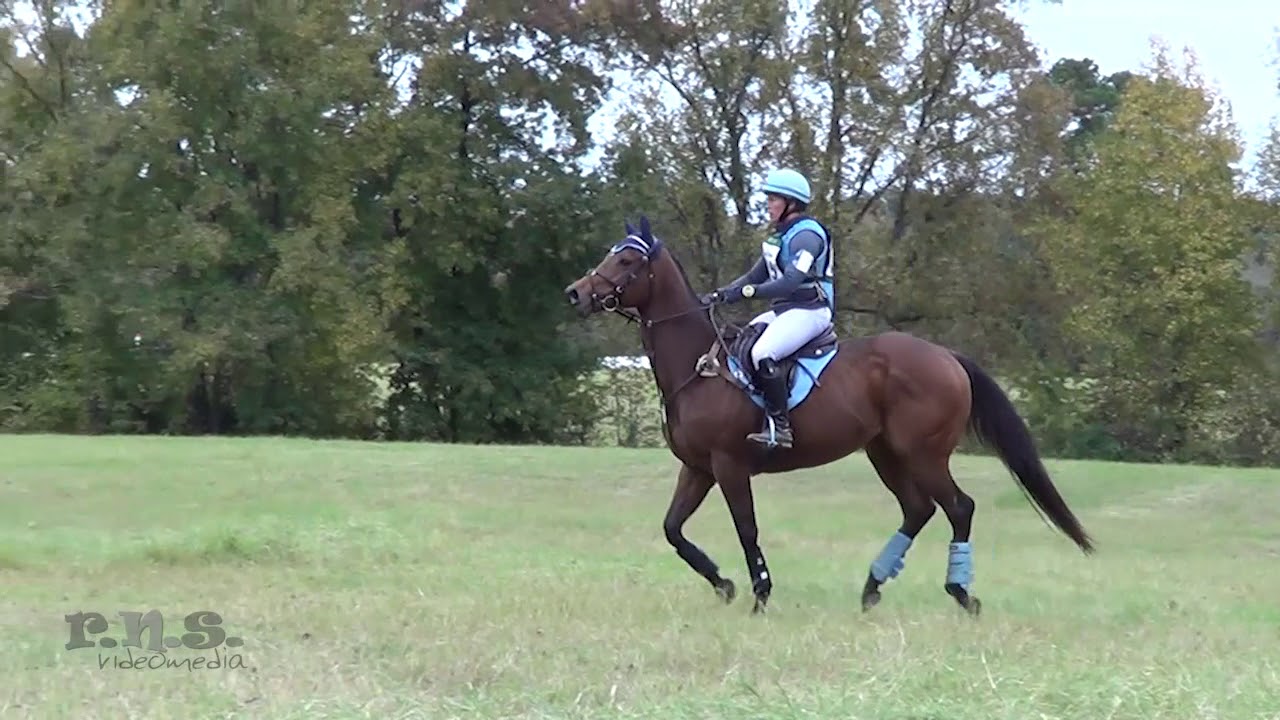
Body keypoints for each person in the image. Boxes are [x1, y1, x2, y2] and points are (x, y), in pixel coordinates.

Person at [701, 168, 835, 449]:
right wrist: (722, 295)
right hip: (786, 310)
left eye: (774, 199)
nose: (768, 204)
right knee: (741, 343)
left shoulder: (808, 236)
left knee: (763, 352)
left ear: (791, 203)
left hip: (811, 310)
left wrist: (750, 293)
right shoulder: (779, 237)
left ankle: (781, 426)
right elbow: (753, 277)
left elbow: (789, 283)